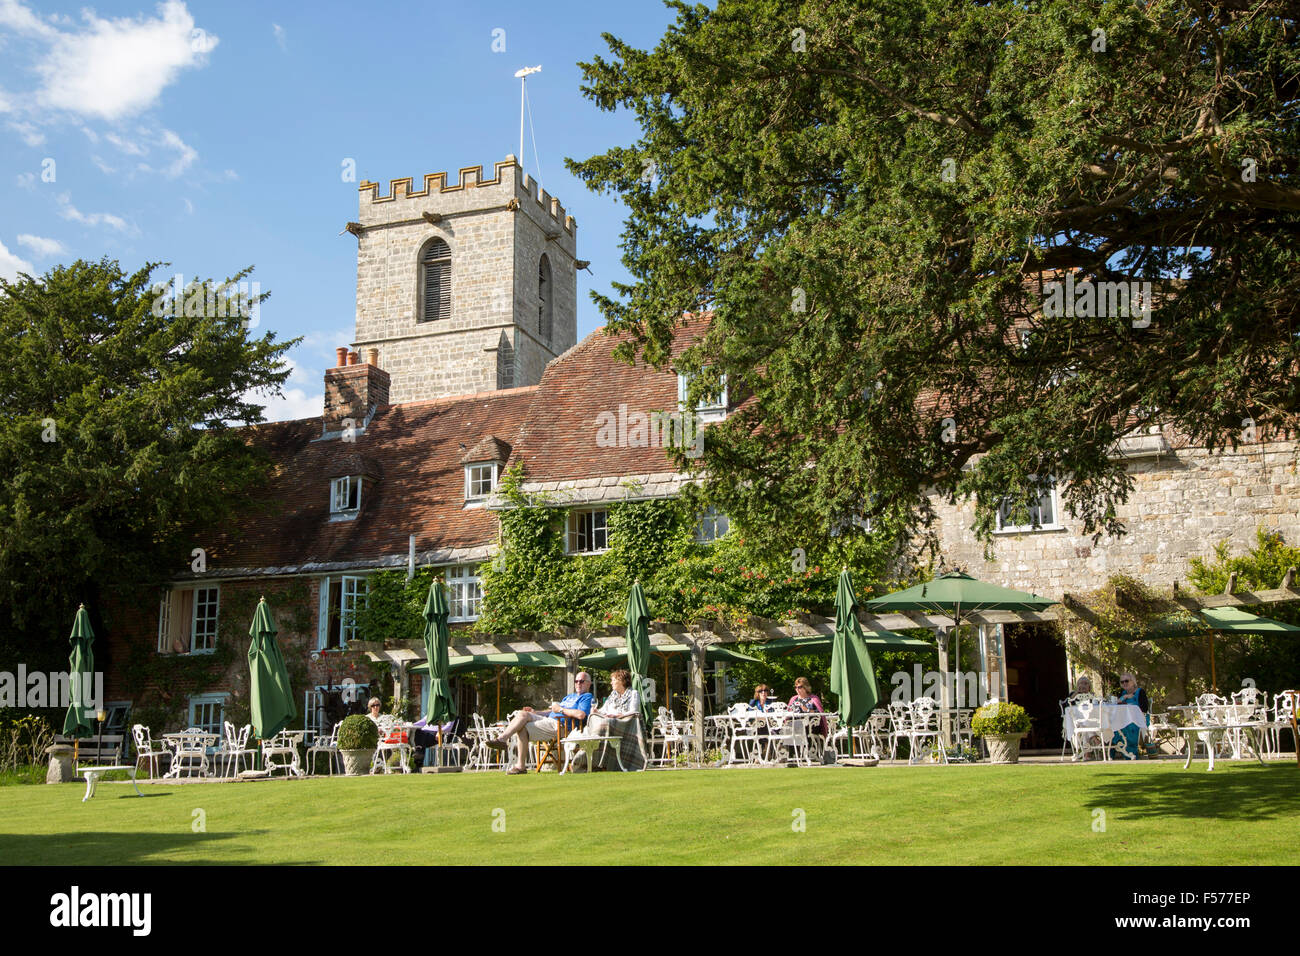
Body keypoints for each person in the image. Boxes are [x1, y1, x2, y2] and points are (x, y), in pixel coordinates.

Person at [487, 672, 594, 774]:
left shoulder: (587, 697)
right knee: (522, 713)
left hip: (562, 727)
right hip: (549, 721)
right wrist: (535, 712)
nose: (578, 683)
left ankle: (517, 761)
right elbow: (551, 712)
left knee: (522, 728)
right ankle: (503, 741)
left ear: (588, 683)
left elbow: (581, 715)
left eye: (581, 681)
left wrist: (560, 709)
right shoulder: (569, 697)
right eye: (576, 681)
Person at [580, 668, 645, 771]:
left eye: (613, 680)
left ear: (621, 681)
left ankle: (587, 759)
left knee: (604, 724)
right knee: (595, 719)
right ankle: (590, 758)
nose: (611, 683)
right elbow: (604, 710)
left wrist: (619, 716)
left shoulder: (633, 693)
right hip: (611, 724)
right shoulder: (613, 695)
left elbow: (634, 711)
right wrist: (597, 711)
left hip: (626, 725)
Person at [1112, 673, 1150, 759]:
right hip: (1124, 719)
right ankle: (1115, 754)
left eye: (1126, 681)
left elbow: (1144, 708)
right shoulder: (1123, 693)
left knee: (1128, 727)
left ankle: (1131, 754)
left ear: (1133, 682)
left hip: (1139, 719)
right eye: (1122, 682)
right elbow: (1116, 704)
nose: (1124, 683)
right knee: (1112, 727)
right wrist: (1124, 697)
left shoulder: (1140, 692)